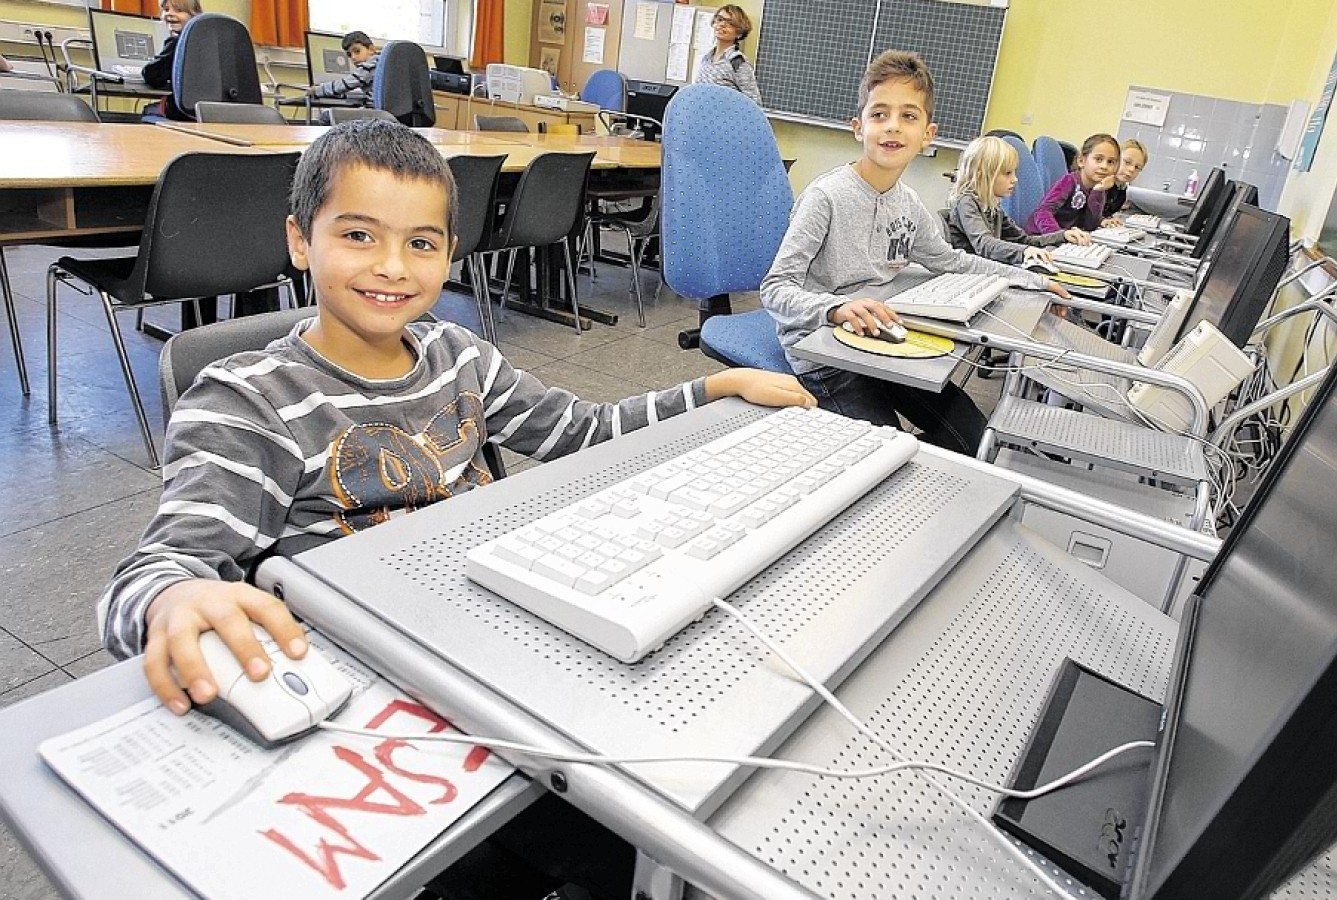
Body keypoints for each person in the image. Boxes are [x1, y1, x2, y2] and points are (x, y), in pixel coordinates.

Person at [96, 120, 814, 898]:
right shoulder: (246, 400)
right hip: (375, 698)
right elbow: (155, 571)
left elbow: (581, 431)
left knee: (679, 805)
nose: (393, 268)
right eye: (360, 235)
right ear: (300, 241)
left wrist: (712, 388)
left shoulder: (459, 356)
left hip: (494, 647)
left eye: (422, 244)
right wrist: (176, 596)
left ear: (450, 251)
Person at [761, 50, 1074, 456]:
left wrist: (1034, 281)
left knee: (974, 438)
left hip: (886, 346)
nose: (892, 126)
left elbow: (953, 261)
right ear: (859, 127)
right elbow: (774, 288)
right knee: (888, 454)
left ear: (928, 133)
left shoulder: (908, 203)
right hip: (825, 351)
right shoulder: (826, 197)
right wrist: (835, 308)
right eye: (879, 114)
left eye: (908, 116)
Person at [945, 135, 1068, 267]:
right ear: (982, 174)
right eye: (1007, 173)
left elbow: (1023, 240)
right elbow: (984, 244)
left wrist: (1063, 236)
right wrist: (1024, 252)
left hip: (989, 268)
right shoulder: (966, 202)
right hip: (972, 274)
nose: (1015, 179)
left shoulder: (992, 205)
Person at [1027, 132, 1121, 240]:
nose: (1104, 166)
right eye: (1098, 159)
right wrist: (1059, 237)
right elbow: (1042, 213)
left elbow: (1090, 224)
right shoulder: (1069, 182)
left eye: (1111, 162)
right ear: (1081, 161)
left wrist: (1098, 192)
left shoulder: (1099, 188)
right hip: (1040, 238)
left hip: (1065, 238)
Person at [140, 0, 202, 121]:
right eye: (166, 9)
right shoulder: (207, 42)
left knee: (149, 109)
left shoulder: (177, 43)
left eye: (179, 10)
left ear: (195, 15)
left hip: (182, 112)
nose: (170, 14)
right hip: (209, 111)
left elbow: (153, 76)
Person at [694, 4, 761, 104]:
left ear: (739, 33)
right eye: (719, 19)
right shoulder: (706, 58)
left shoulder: (738, 62)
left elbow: (754, 103)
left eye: (729, 23)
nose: (721, 24)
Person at [311, 30, 379, 106]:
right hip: (379, 110)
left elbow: (344, 84)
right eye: (349, 54)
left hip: (378, 113)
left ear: (371, 49)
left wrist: (317, 90)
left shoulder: (369, 66)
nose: (353, 57)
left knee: (327, 115)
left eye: (357, 51)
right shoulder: (379, 63)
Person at [1103, 137, 1148, 224]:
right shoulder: (1100, 184)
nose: (1131, 169)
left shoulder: (1121, 191)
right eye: (1127, 162)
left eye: (1137, 167)